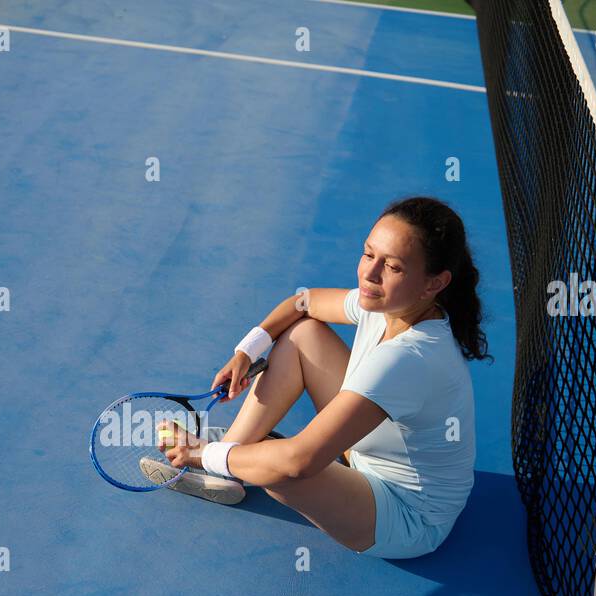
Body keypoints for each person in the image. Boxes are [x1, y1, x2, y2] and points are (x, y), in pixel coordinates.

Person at [149, 196, 490, 558]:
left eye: (392, 267)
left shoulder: (408, 359)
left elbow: (299, 461)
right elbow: (304, 302)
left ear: (433, 284)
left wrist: (200, 452)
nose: (369, 275)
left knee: (282, 471)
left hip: (409, 519)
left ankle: (218, 459)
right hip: (372, 454)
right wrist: (248, 350)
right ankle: (228, 466)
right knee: (303, 335)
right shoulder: (388, 303)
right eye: (368, 254)